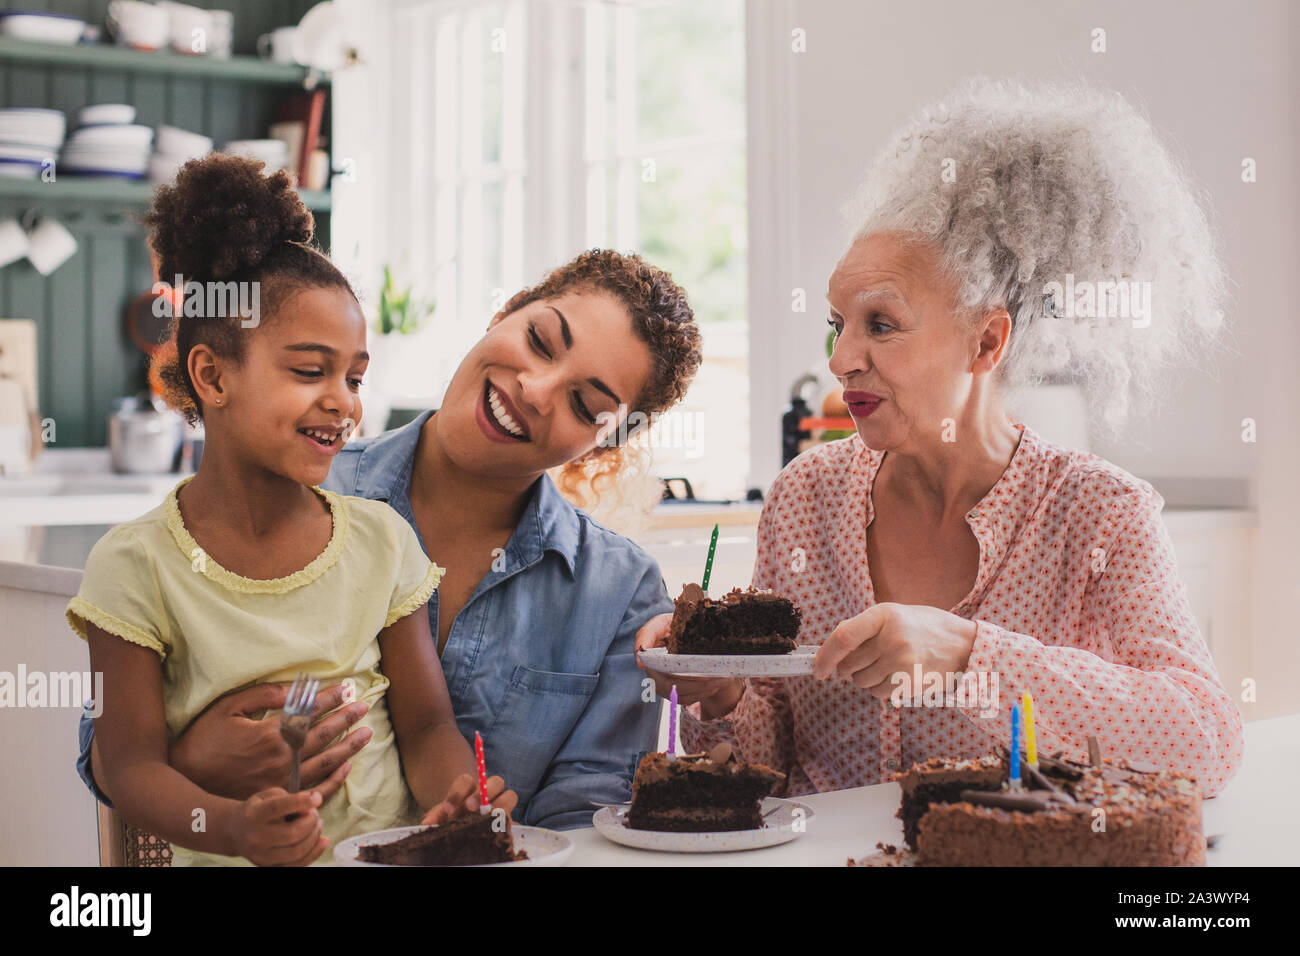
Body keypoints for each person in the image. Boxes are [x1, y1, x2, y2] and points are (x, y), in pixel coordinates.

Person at [640, 77, 1244, 799]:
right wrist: (727, 698)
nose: (840, 359)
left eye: (881, 325)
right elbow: (775, 754)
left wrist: (966, 656)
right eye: (839, 323)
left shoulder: (1101, 510)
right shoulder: (806, 496)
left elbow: (1205, 740)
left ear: (986, 342)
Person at [77, 246, 703, 831]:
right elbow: (108, 753)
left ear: (602, 444)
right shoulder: (285, 480)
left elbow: (583, 824)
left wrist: (480, 826)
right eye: (539, 341)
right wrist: (192, 762)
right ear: (503, 313)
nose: (534, 390)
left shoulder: (620, 593)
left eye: (586, 405)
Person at [68, 155, 514, 866]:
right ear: (212, 375)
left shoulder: (382, 542)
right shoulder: (134, 566)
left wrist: (456, 800)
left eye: (355, 376)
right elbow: (129, 768)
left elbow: (429, 725)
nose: (343, 400)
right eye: (311, 371)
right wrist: (232, 827)